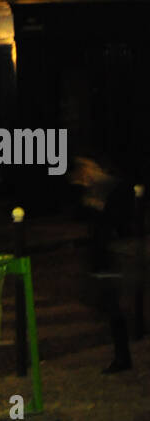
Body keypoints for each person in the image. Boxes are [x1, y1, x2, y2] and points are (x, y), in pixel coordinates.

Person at [73, 157, 133, 374]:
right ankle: (122, 354)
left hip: (112, 256)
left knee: (113, 307)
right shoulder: (94, 190)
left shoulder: (110, 188)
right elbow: (80, 217)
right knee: (109, 306)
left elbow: (117, 221)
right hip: (103, 256)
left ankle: (123, 356)